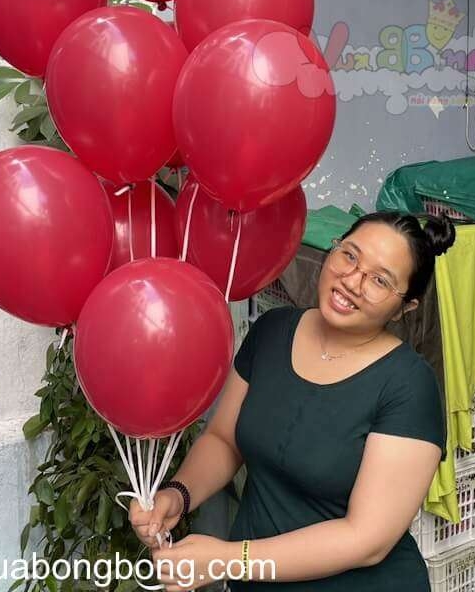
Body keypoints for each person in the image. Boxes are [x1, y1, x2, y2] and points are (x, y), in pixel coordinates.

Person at [130, 211, 454, 591]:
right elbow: (224, 440)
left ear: (405, 307)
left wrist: (228, 559)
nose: (352, 281)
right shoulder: (272, 330)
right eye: (350, 255)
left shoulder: (408, 384)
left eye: (380, 280)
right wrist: (177, 496)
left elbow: (366, 540)